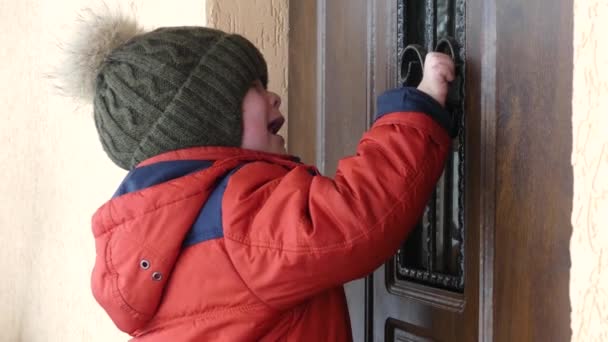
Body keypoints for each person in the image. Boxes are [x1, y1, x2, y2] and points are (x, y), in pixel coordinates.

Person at [58, 10, 455, 342]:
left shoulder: (153, 240)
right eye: (253, 88)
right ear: (209, 120)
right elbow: (354, 215)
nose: (274, 97)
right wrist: (416, 110)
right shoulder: (235, 214)